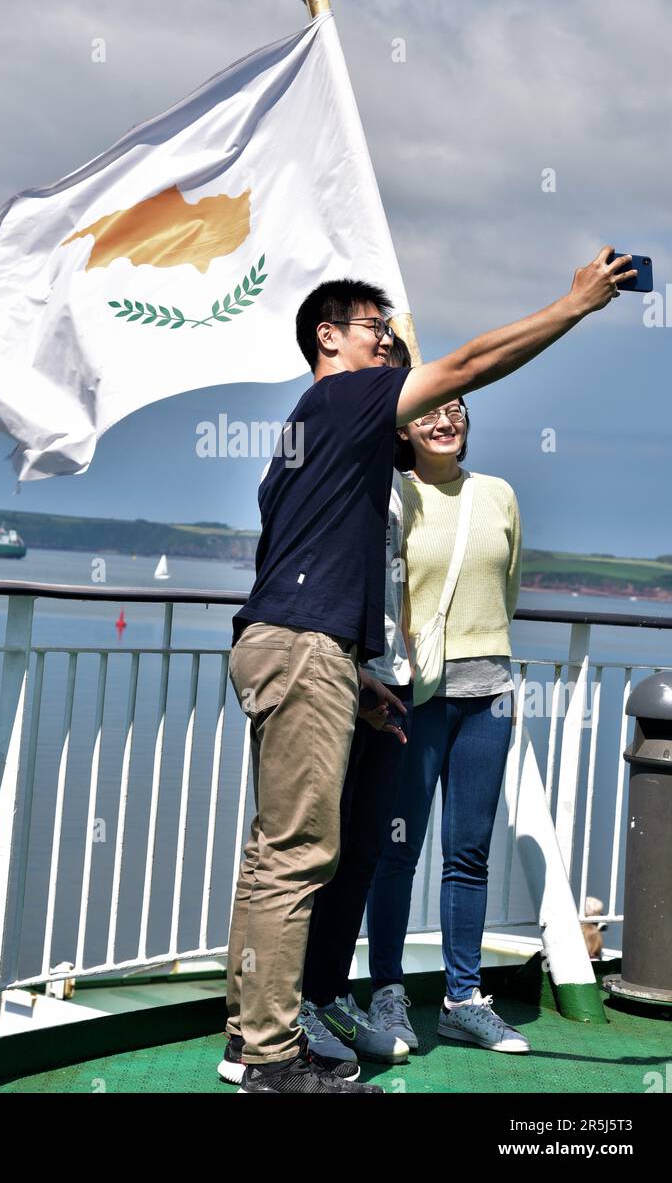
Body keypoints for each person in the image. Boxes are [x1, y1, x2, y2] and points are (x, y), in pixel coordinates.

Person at [221, 247, 635, 1094]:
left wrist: (349, 667)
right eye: (381, 335)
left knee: (287, 853)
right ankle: (267, 1057)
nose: (394, 354)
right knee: (296, 856)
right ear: (329, 339)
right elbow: (472, 362)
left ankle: (253, 1038)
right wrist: (575, 305)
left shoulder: (309, 431)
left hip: (307, 646)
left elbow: (290, 554)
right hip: (301, 648)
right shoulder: (342, 394)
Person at [364, 395, 530, 1054]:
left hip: (487, 691)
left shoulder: (498, 494)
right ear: (404, 427)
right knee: (396, 850)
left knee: (468, 854)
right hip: (416, 694)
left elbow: (507, 586)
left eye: (455, 409)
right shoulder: (395, 496)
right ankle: (386, 993)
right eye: (430, 410)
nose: (445, 420)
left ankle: (463, 999)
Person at [295, 334, 416, 1072]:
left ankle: (331, 991)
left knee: (365, 845)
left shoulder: (405, 482)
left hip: (388, 677)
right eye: (387, 369)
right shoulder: (340, 450)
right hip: (334, 669)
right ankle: (292, 1004)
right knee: (311, 849)